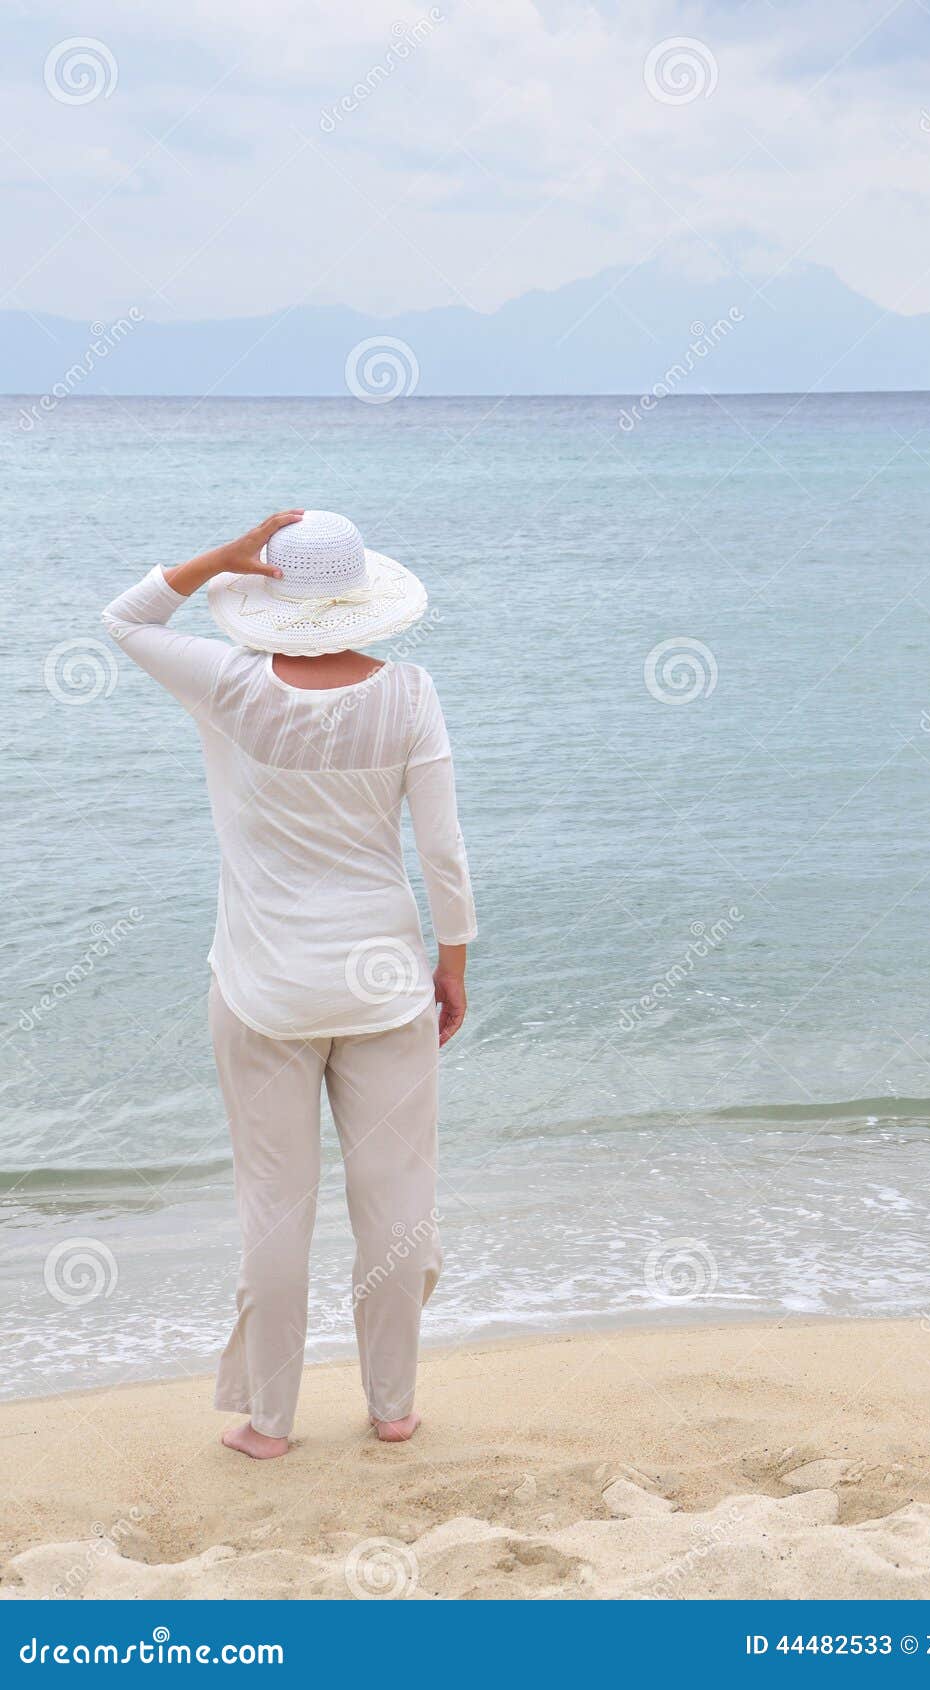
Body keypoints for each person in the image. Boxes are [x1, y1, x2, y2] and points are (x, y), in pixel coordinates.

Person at [102, 509, 476, 1459]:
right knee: (395, 1204)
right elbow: (442, 853)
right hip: (385, 983)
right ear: (363, 599)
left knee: (276, 1204)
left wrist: (216, 560)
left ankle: (269, 1423)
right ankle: (391, 1408)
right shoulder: (411, 693)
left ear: (267, 597)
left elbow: (127, 620)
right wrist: (453, 964)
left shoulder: (226, 686)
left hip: (264, 986)